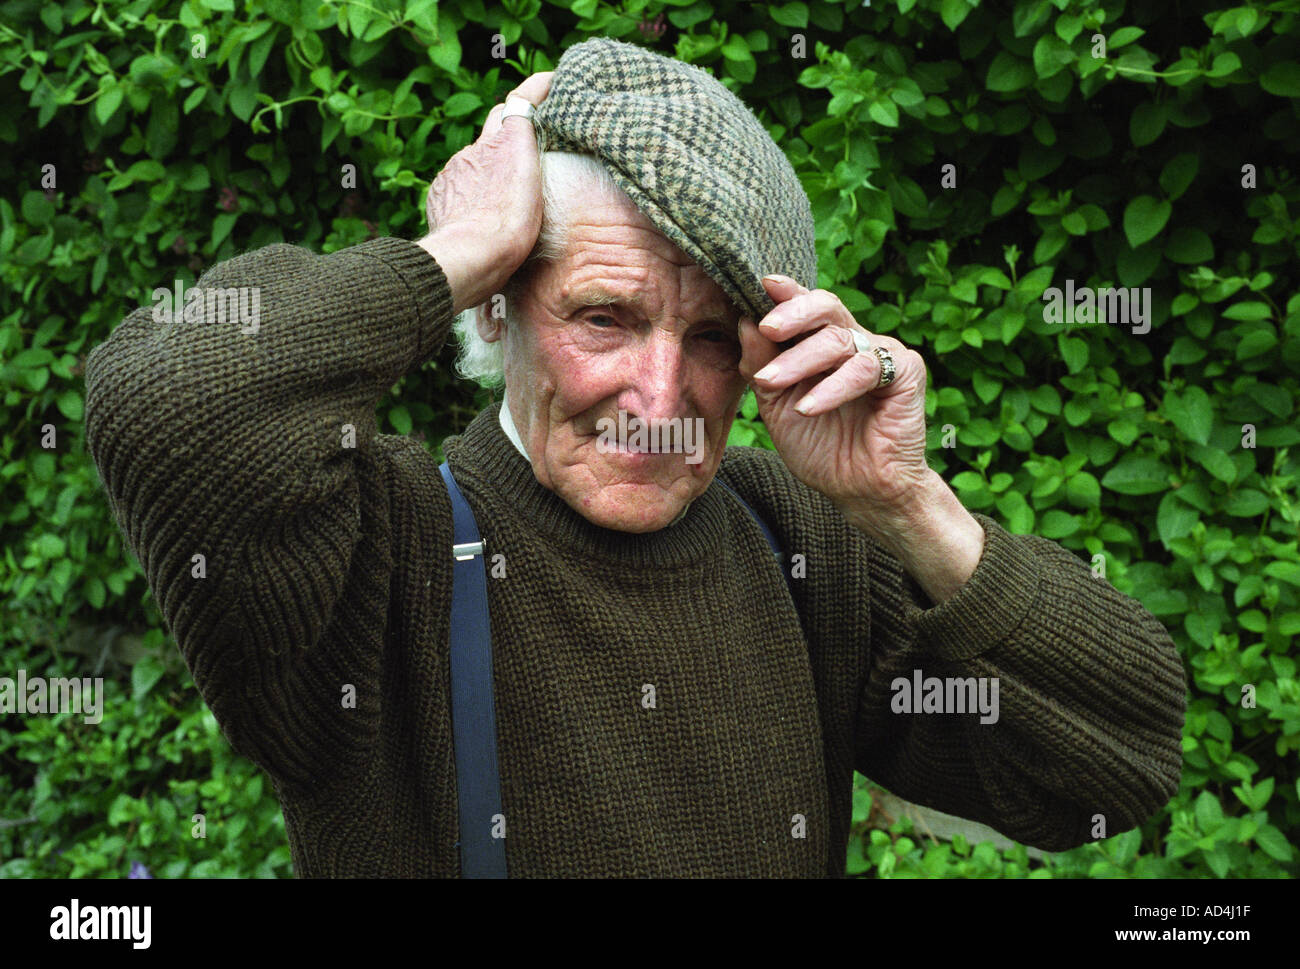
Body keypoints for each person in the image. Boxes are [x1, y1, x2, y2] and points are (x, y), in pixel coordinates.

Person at [84, 39, 1185, 878]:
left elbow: (1118, 764)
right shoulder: (384, 545)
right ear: (499, 312)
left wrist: (907, 505)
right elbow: (172, 399)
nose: (659, 400)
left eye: (713, 338)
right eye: (602, 317)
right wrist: (459, 247)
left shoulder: (792, 539)